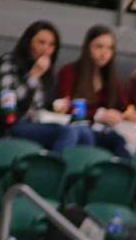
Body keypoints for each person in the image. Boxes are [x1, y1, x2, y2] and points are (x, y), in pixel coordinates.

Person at [0, 20, 95, 154]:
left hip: (38, 123)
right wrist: (34, 75)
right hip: (12, 124)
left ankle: (77, 173)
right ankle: (52, 172)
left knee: (85, 132)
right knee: (66, 132)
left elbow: (43, 106)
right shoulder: (9, 61)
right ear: (28, 43)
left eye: (51, 45)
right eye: (41, 42)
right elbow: (11, 100)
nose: (46, 49)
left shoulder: (47, 73)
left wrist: (58, 107)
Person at [53, 24, 130, 155]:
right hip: (76, 128)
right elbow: (64, 106)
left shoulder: (111, 78)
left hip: (102, 129)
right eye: (99, 47)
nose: (104, 53)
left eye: (109, 48)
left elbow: (125, 107)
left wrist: (128, 113)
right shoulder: (70, 72)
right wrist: (99, 114)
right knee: (110, 140)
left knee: (124, 141)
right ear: (88, 47)